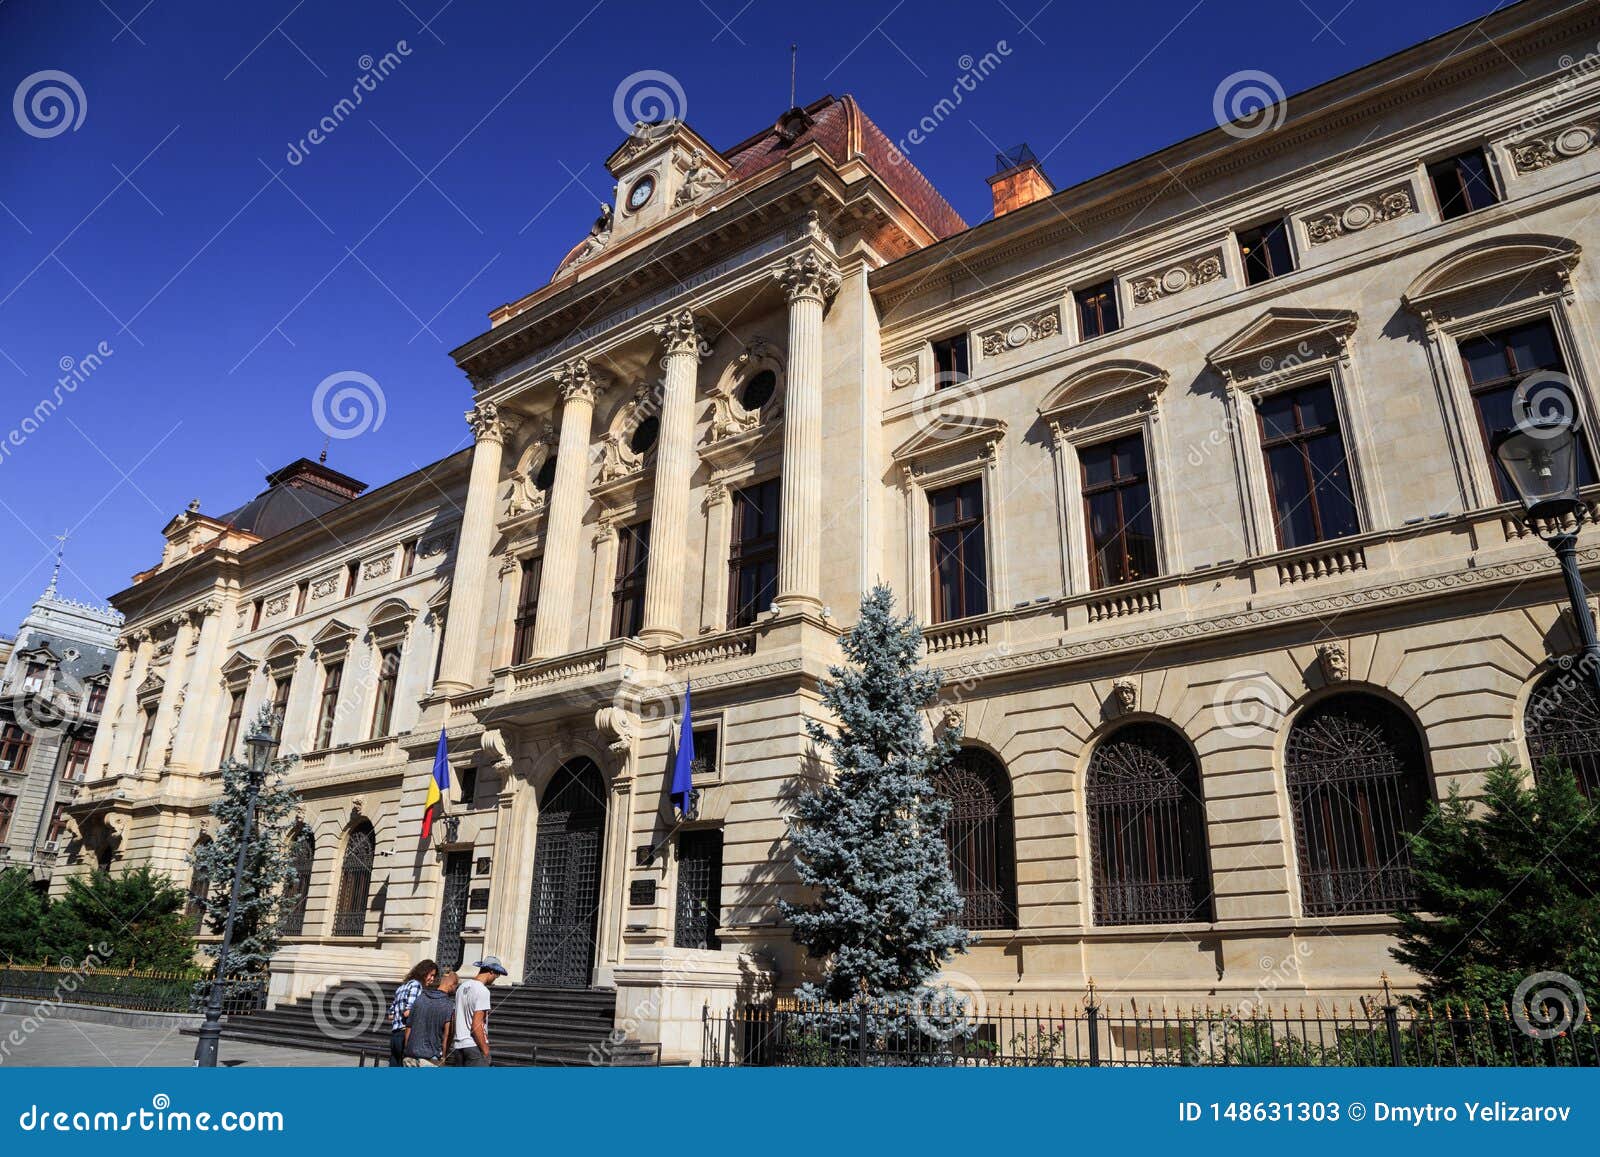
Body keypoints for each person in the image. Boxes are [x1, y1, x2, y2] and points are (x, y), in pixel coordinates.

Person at [449, 957, 506, 1066]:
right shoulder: (483, 991)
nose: (496, 978)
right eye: (497, 974)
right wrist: (486, 1051)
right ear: (491, 971)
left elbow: (454, 1017)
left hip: (458, 1045)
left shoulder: (461, 987)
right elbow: (476, 1024)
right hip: (473, 1046)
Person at [387, 959, 438, 1066]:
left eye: (434, 976)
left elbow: (391, 1015)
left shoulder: (401, 987)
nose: (432, 979)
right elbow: (408, 1012)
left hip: (395, 1035)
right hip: (406, 1035)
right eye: (431, 975)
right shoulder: (416, 985)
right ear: (423, 972)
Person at [403, 971, 458, 1067]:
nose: (455, 989)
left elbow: (409, 1027)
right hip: (431, 1059)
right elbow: (447, 1035)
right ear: (452, 985)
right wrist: (444, 1057)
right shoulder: (448, 1005)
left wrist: (407, 1049)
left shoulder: (420, 998)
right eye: (456, 986)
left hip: (411, 1056)